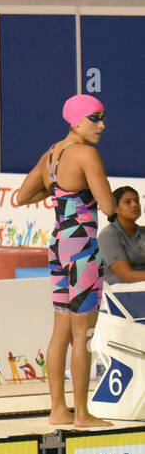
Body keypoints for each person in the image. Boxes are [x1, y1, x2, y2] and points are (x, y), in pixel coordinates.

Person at [14, 94, 117, 428]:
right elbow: (108, 205)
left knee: (61, 331)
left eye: (102, 118)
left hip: (59, 245)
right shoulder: (87, 154)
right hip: (83, 249)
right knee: (82, 334)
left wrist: (60, 192)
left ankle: (58, 409)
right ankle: (83, 413)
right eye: (94, 119)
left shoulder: (52, 155)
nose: (101, 126)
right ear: (75, 121)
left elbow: (22, 196)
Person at [100, 186, 145, 285]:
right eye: (128, 202)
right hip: (119, 294)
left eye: (136, 201)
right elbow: (126, 276)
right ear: (116, 208)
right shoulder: (108, 235)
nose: (134, 205)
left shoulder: (143, 231)